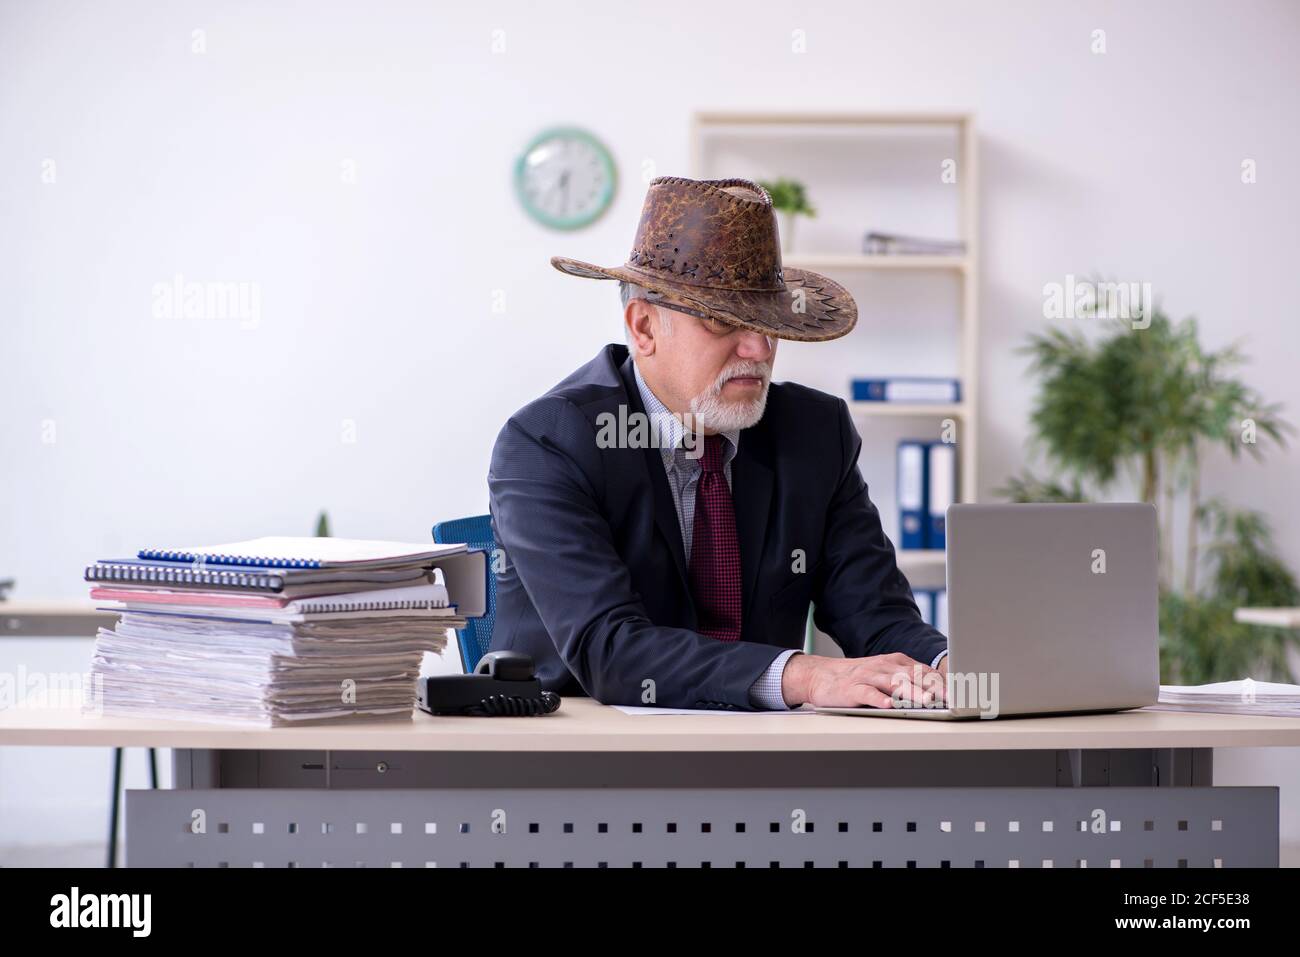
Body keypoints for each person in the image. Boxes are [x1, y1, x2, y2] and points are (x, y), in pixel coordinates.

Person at [487, 175, 948, 710]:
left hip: (757, 747)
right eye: (721, 320)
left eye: (767, 322)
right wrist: (807, 676)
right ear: (643, 327)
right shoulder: (550, 440)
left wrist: (945, 667)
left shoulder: (816, 432)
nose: (757, 347)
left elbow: (876, 614)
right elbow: (608, 648)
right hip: (578, 746)